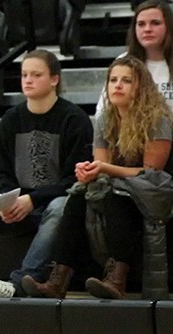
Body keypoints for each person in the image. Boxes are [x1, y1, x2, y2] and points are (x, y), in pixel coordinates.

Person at [22, 55, 173, 299]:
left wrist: (103, 168)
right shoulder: (105, 119)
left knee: (115, 198)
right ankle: (58, 280)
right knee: (78, 198)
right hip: (118, 185)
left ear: (141, 87)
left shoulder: (158, 119)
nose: (117, 86)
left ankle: (116, 280)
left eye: (126, 81)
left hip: (154, 191)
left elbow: (151, 172)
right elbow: (102, 165)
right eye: (113, 80)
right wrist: (88, 172)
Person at [0, 50, 93, 298]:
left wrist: (33, 200)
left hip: (50, 207)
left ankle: (16, 283)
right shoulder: (11, 119)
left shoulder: (75, 120)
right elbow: (1, 171)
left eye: (36, 75)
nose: (27, 80)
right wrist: (6, 200)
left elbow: (74, 179)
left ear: (54, 79)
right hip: (17, 205)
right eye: (24, 75)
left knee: (61, 206)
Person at [96, 0, 173, 113]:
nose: (147, 29)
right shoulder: (124, 61)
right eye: (141, 24)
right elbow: (103, 111)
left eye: (155, 23)